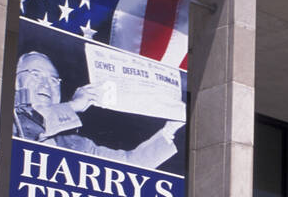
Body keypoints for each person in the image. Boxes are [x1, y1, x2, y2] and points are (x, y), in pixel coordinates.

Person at [12, 51, 182, 170]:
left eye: (54, 80)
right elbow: (29, 129)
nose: (46, 84)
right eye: (35, 74)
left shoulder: (77, 144)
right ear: (15, 81)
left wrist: (170, 128)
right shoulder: (1, 115)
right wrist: (73, 106)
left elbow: (130, 164)